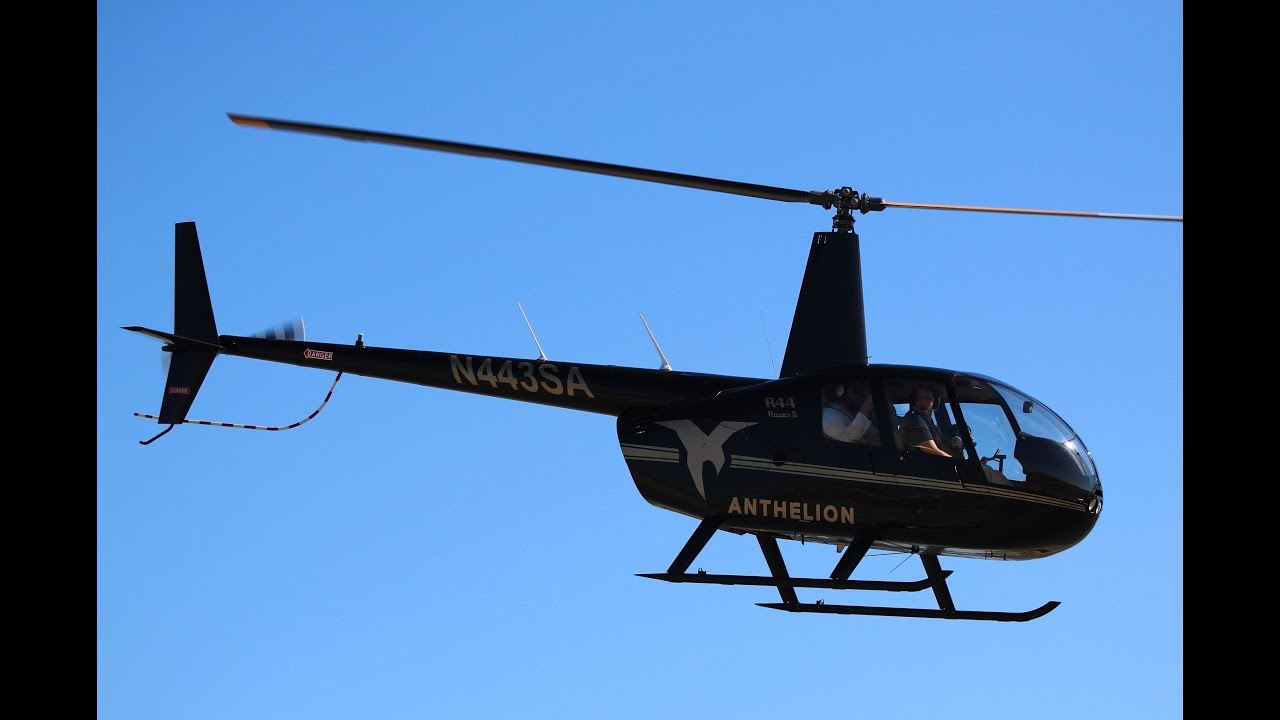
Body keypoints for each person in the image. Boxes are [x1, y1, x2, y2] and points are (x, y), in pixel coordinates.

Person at [898, 385, 958, 457]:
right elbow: (932, 450)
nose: (922, 401)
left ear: (935, 402)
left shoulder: (931, 426)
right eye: (919, 398)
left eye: (927, 398)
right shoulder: (915, 421)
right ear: (915, 401)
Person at [822, 380, 881, 446]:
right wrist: (866, 407)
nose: (861, 396)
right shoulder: (829, 415)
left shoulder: (849, 411)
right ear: (839, 390)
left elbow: (875, 435)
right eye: (856, 391)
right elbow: (847, 438)